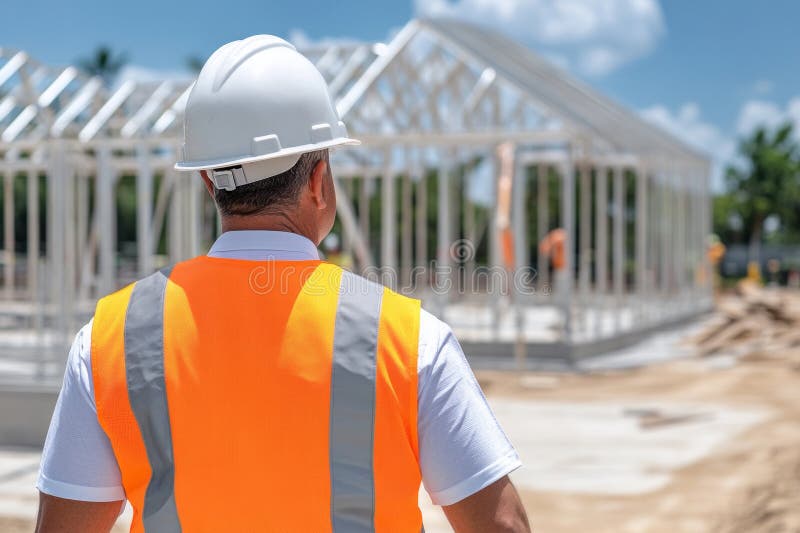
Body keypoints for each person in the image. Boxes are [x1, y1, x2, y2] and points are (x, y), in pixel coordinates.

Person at [35, 35, 530, 532]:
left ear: (208, 181)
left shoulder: (109, 338)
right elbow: (502, 526)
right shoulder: (409, 338)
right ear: (318, 180)